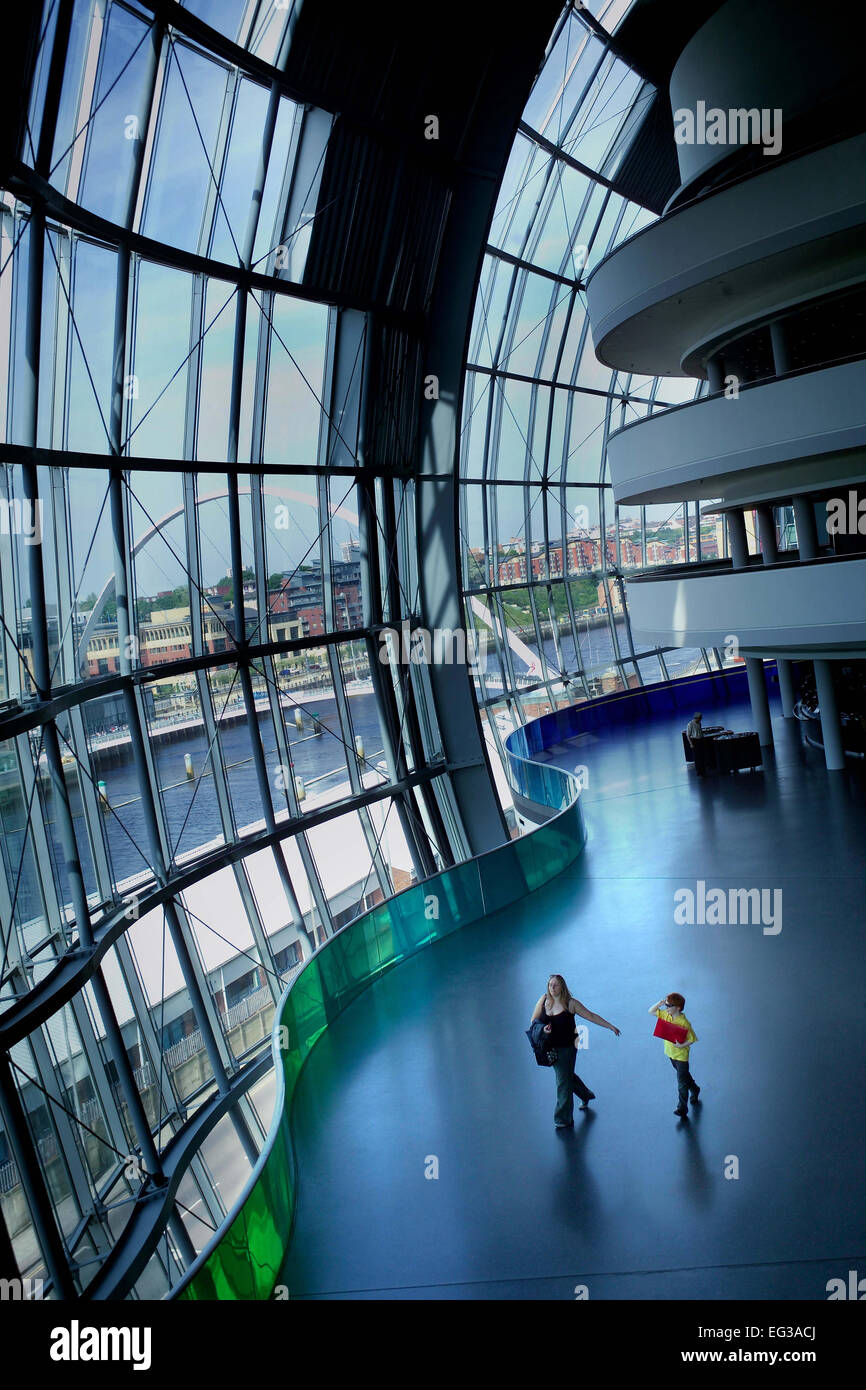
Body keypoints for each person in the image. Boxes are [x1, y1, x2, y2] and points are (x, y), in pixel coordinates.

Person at [530, 975, 620, 1128]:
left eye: (556, 985)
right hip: (550, 1047)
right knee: (566, 1076)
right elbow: (533, 1022)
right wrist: (543, 1029)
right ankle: (585, 1094)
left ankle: (563, 1119)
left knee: (562, 1080)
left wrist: (610, 1026)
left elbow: (590, 1015)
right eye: (550, 985)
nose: (552, 988)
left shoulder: (570, 1004)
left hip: (568, 1048)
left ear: (562, 987)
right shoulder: (544, 1000)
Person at [649, 992, 700, 1117]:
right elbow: (651, 1011)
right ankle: (695, 1089)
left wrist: (681, 1046)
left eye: (669, 1006)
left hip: (681, 1056)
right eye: (666, 1005)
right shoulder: (666, 1015)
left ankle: (682, 1108)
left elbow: (692, 1039)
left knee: (681, 1082)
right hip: (670, 1054)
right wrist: (659, 1003)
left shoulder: (684, 1022)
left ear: (678, 1007)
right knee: (684, 1077)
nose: (666, 1008)